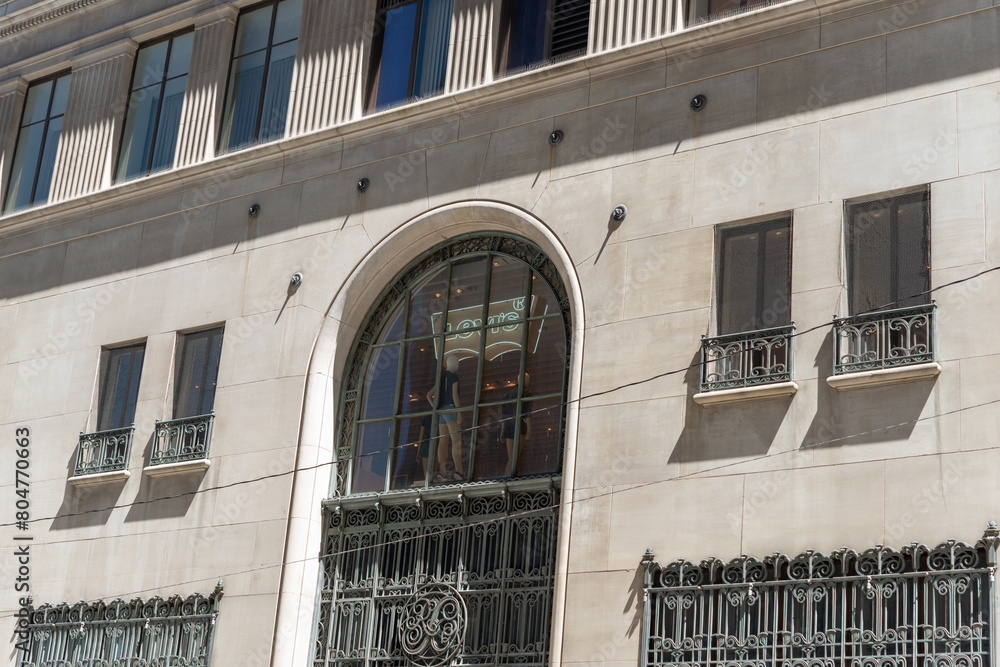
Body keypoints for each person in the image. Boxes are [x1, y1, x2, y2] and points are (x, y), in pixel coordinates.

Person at [429, 355, 464, 481]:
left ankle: (442, 472)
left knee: (443, 442)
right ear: (453, 364)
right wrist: (459, 412)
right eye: (458, 363)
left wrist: (436, 408)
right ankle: (459, 472)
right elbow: (454, 395)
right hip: (451, 409)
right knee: (456, 441)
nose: (458, 366)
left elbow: (429, 395)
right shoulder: (453, 377)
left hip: (441, 412)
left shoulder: (441, 378)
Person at [499, 372, 530, 477]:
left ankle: (506, 476)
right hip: (519, 426)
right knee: (515, 456)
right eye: (527, 380)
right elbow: (527, 413)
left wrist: (502, 430)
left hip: (508, 426)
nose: (528, 382)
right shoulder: (525, 393)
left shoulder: (508, 395)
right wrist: (529, 429)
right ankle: (510, 477)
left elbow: (504, 414)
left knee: (511, 457)